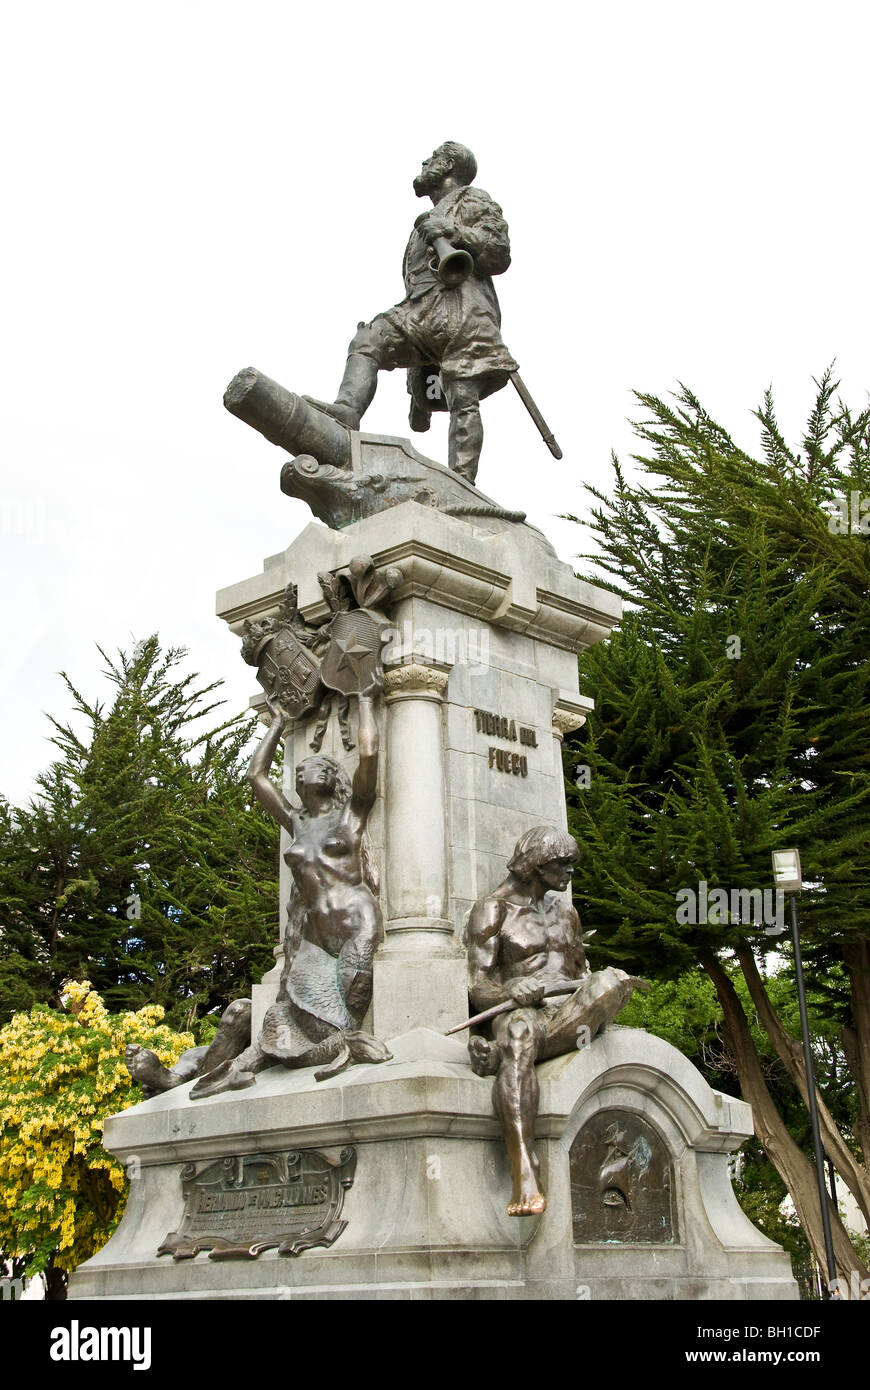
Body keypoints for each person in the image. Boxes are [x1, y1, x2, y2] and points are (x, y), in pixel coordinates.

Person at [190, 687, 390, 1097]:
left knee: (351, 1001)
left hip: (357, 922)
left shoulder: (351, 817)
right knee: (296, 1010)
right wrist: (278, 724)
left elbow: (368, 756)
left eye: (314, 765)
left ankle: (343, 1049)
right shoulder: (296, 822)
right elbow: (256, 777)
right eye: (299, 768)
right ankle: (324, 1051)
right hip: (315, 934)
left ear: (333, 779)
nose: (302, 769)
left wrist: (366, 698)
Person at [308, 141, 517, 485]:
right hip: (422, 309)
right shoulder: (434, 213)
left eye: (433, 158)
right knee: (369, 338)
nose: (425, 162)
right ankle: (346, 411)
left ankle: (463, 484)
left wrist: (453, 232)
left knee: (463, 397)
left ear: (448, 164)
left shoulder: (473, 199)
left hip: (463, 313)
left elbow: (499, 253)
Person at [465, 827, 644, 1216]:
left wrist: (612, 986)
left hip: (566, 1013)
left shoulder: (566, 911)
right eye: (563, 865)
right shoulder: (493, 910)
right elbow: (478, 986)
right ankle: (524, 1170)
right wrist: (511, 989)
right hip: (522, 1015)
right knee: (518, 1032)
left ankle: (502, 1057)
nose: (569, 874)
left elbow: (581, 969)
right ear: (536, 865)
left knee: (608, 983)